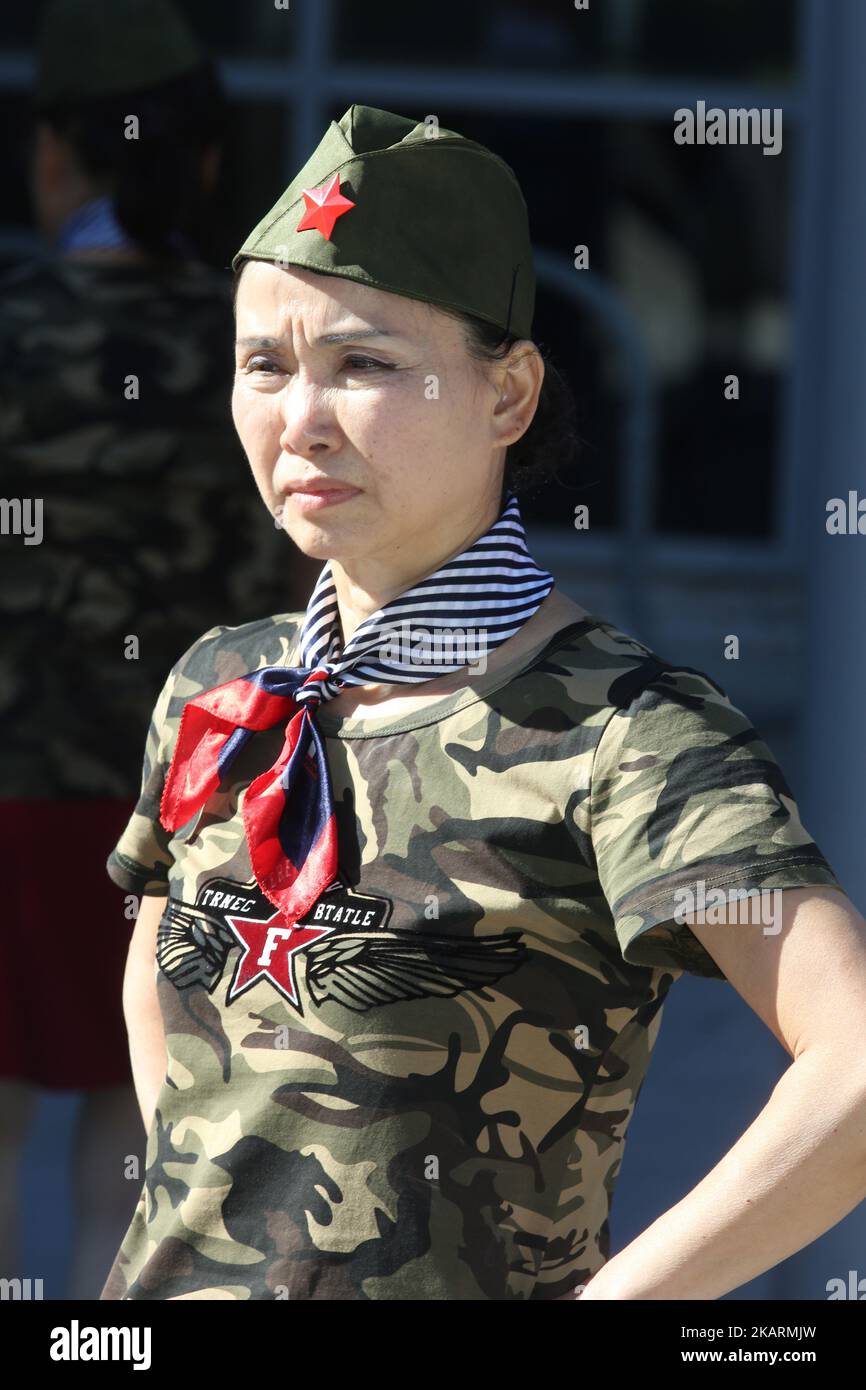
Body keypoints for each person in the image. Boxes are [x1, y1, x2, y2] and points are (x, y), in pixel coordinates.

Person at [101, 103, 866, 1302]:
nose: (299, 420)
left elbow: (854, 1068)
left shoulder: (625, 731)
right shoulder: (219, 682)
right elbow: (160, 961)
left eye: (363, 363)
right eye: (266, 364)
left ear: (507, 396)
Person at [0, 0, 308, 1298]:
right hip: (189, 812)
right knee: (136, 1156)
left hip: (6, 793)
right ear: (199, 162)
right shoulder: (272, 353)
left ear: (57, 156)